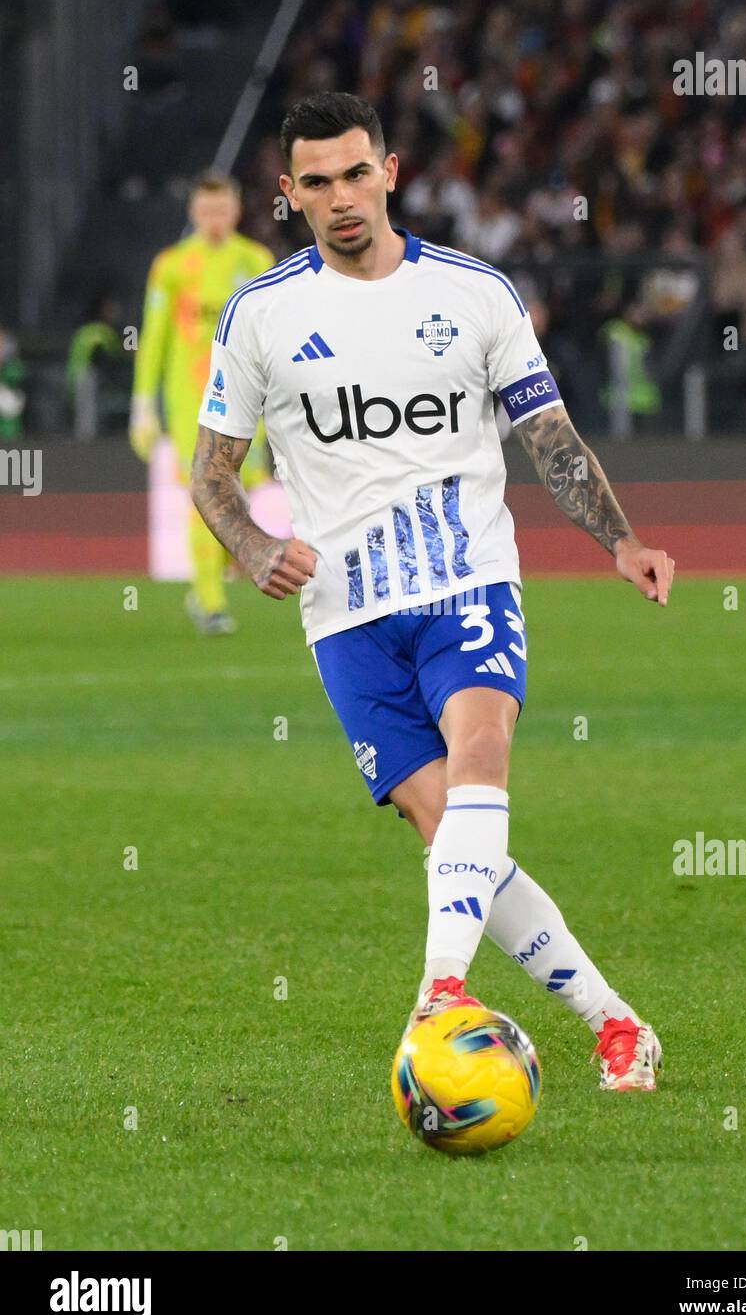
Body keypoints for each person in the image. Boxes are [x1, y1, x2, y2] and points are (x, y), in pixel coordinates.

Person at [190, 93, 675, 1091]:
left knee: (483, 748)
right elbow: (211, 471)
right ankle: (615, 1019)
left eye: (356, 172)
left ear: (391, 171)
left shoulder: (475, 293)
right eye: (315, 182)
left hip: (468, 578)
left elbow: (549, 436)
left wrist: (620, 540)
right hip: (347, 617)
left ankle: (438, 995)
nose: (340, 197)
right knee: (452, 829)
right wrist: (246, 545)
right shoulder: (262, 315)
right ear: (287, 195)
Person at [129, 173, 274, 634]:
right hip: (192, 400)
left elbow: (272, 339)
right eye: (206, 210)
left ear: (236, 211)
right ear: (193, 213)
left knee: (240, 497)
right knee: (206, 493)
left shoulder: (256, 260)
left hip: (249, 398)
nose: (214, 219)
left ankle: (209, 582)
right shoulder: (171, 266)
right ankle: (211, 601)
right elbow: (153, 338)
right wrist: (143, 403)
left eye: (222, 210)